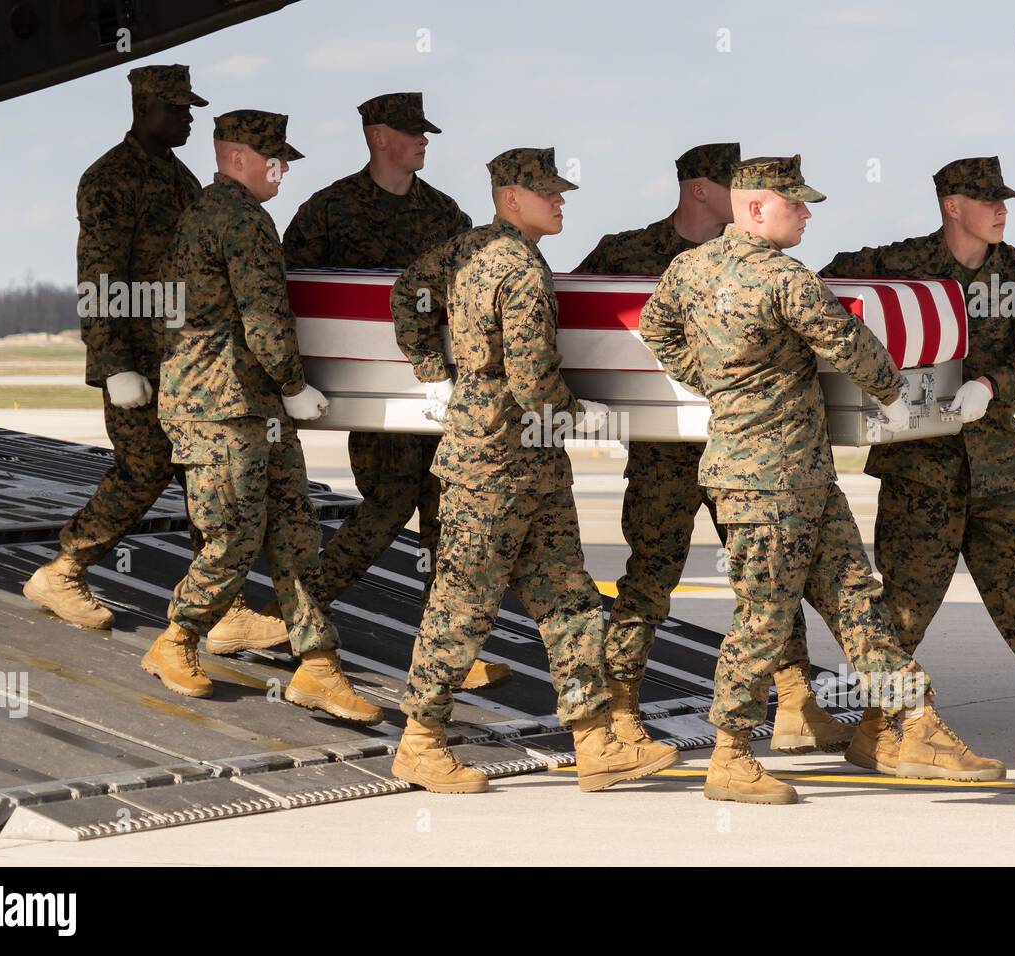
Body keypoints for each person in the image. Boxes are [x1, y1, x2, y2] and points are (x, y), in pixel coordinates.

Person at [641, 155, 1005, 804]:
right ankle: (728, 757)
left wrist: (713, 381)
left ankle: (914, 724)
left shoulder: (688, 268)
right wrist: (902, 395)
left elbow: (654, 329)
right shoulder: (787, 279)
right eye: (796, 204)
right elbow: (856, 351)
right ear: (754, 208)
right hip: (775, 488)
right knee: (763, 620)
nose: (807, 214)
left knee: (857, 602)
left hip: (782, 478)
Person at [820, 156, 1015, 773]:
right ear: (952, 205)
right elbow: (824, 294)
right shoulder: (895, 264)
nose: (1001, 210)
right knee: (906, 604)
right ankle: (881, 729)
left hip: (997, 460)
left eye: (1004, 201)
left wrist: (994, 383)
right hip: (920, 465)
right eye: (987, 200)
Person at [386, 147, 679, 793]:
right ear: (510, 196)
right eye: (548, 192)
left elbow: (407, 293)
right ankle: (420, 741)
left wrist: (435, 371)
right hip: (496, 463)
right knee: (463, 605)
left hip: (524, 465)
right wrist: (584, 415)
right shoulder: (516, 266)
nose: (561, 200)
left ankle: (594, 739)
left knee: (569, 601)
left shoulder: (465, 249)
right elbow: (532, 383)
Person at [574, 143, 839, 755]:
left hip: (746, 448)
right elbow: (584, 317)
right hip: (666, 452)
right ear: (699, 189)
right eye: (731, 184)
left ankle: (796, 703)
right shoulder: (625, 253)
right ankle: (619, 709)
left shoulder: (757, 258)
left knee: (771, 582)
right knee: (650, 578)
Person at [23, 66, 282, 651]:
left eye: (191, 110)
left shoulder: (183, 181)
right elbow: (98, 275)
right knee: (145, 467)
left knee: (201, 471)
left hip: (182, 360)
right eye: (179, 109)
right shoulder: (110, 179)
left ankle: (221, 606)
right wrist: (114, 364)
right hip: (136, 361)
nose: (190, 119)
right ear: (145, 108)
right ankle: (63, 572)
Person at [147, 109, 380, 724]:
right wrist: (295, 385)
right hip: (222, 408)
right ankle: (176, 638)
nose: (281, 170)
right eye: (272, 158)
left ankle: (318, 665)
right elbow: (263, 317)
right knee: (236, 536)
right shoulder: (240, 218)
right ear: (236, 157)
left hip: (249, 405)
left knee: (295, 532)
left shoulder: (209, 212)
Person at [280, 91, 508, 690]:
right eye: (411, 133)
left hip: (439, 395)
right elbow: (291, 296)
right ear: (379, 137)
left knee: (443, 518)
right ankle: (301, 612)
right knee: (385, 511)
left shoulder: (443, 213)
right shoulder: (328, 210)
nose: (423, 141)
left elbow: (475, 285)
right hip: (375, 399)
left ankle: (446, 651)